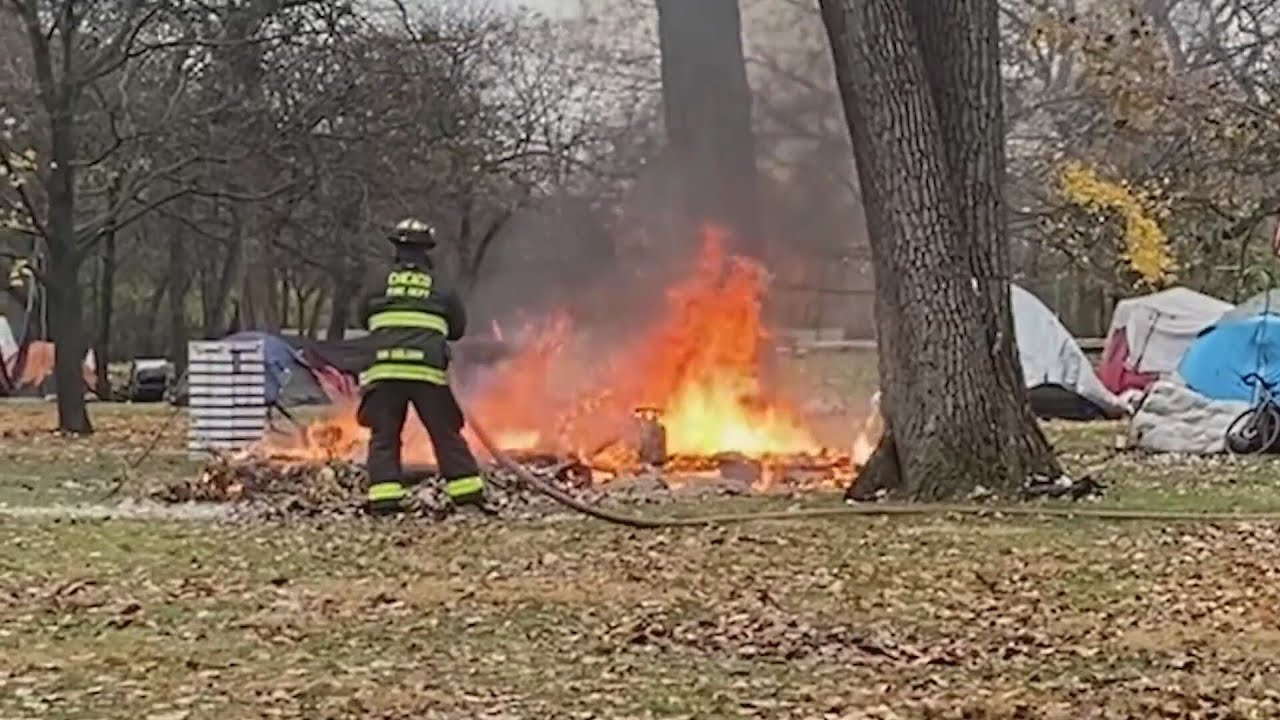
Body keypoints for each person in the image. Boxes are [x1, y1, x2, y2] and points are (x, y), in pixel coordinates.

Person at [357, 218, 486, 513]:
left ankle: (384, 502)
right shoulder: (441, 287)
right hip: (426, 373)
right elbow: (457, 329)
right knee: (445, 435)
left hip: (385, 372)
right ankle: (467, 498)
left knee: (384, 437)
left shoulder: (378, 284)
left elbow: (363, 318)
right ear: (427, 251)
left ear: (397, 250)